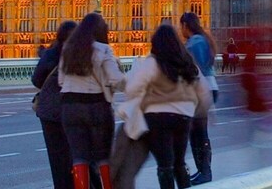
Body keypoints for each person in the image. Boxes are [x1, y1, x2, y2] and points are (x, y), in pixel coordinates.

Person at [121, 24, 214, 189]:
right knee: (179, 162)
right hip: (183, 118)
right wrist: (195, 113)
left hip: (158, 119)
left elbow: (132, 88)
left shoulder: (153, 63)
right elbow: (204, 93)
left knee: (165, 165)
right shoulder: (187, 62)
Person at [59, 13, 125, 189]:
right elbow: (116, 80)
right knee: (103, 157)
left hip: (69, 107)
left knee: (79, 158)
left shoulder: (68, 48)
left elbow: (60, 81)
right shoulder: (103, 49)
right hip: (96, 107)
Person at [32, 21, 79, 189]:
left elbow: (36, 80)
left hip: (50, 113)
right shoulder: (82, 53)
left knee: (57, 158)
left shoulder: (51, 53)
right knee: (77, 156)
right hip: (73, 110)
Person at [178, 13, 218, 185]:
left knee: (198, 134)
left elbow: (196, 68)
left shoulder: (195, 43)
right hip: (207, 87)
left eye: (182, 26)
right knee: (196, 133)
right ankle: (202, 170)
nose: (181, 30)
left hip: (201, 88)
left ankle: (205, 172)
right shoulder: (203, 39)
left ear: (186, 25)